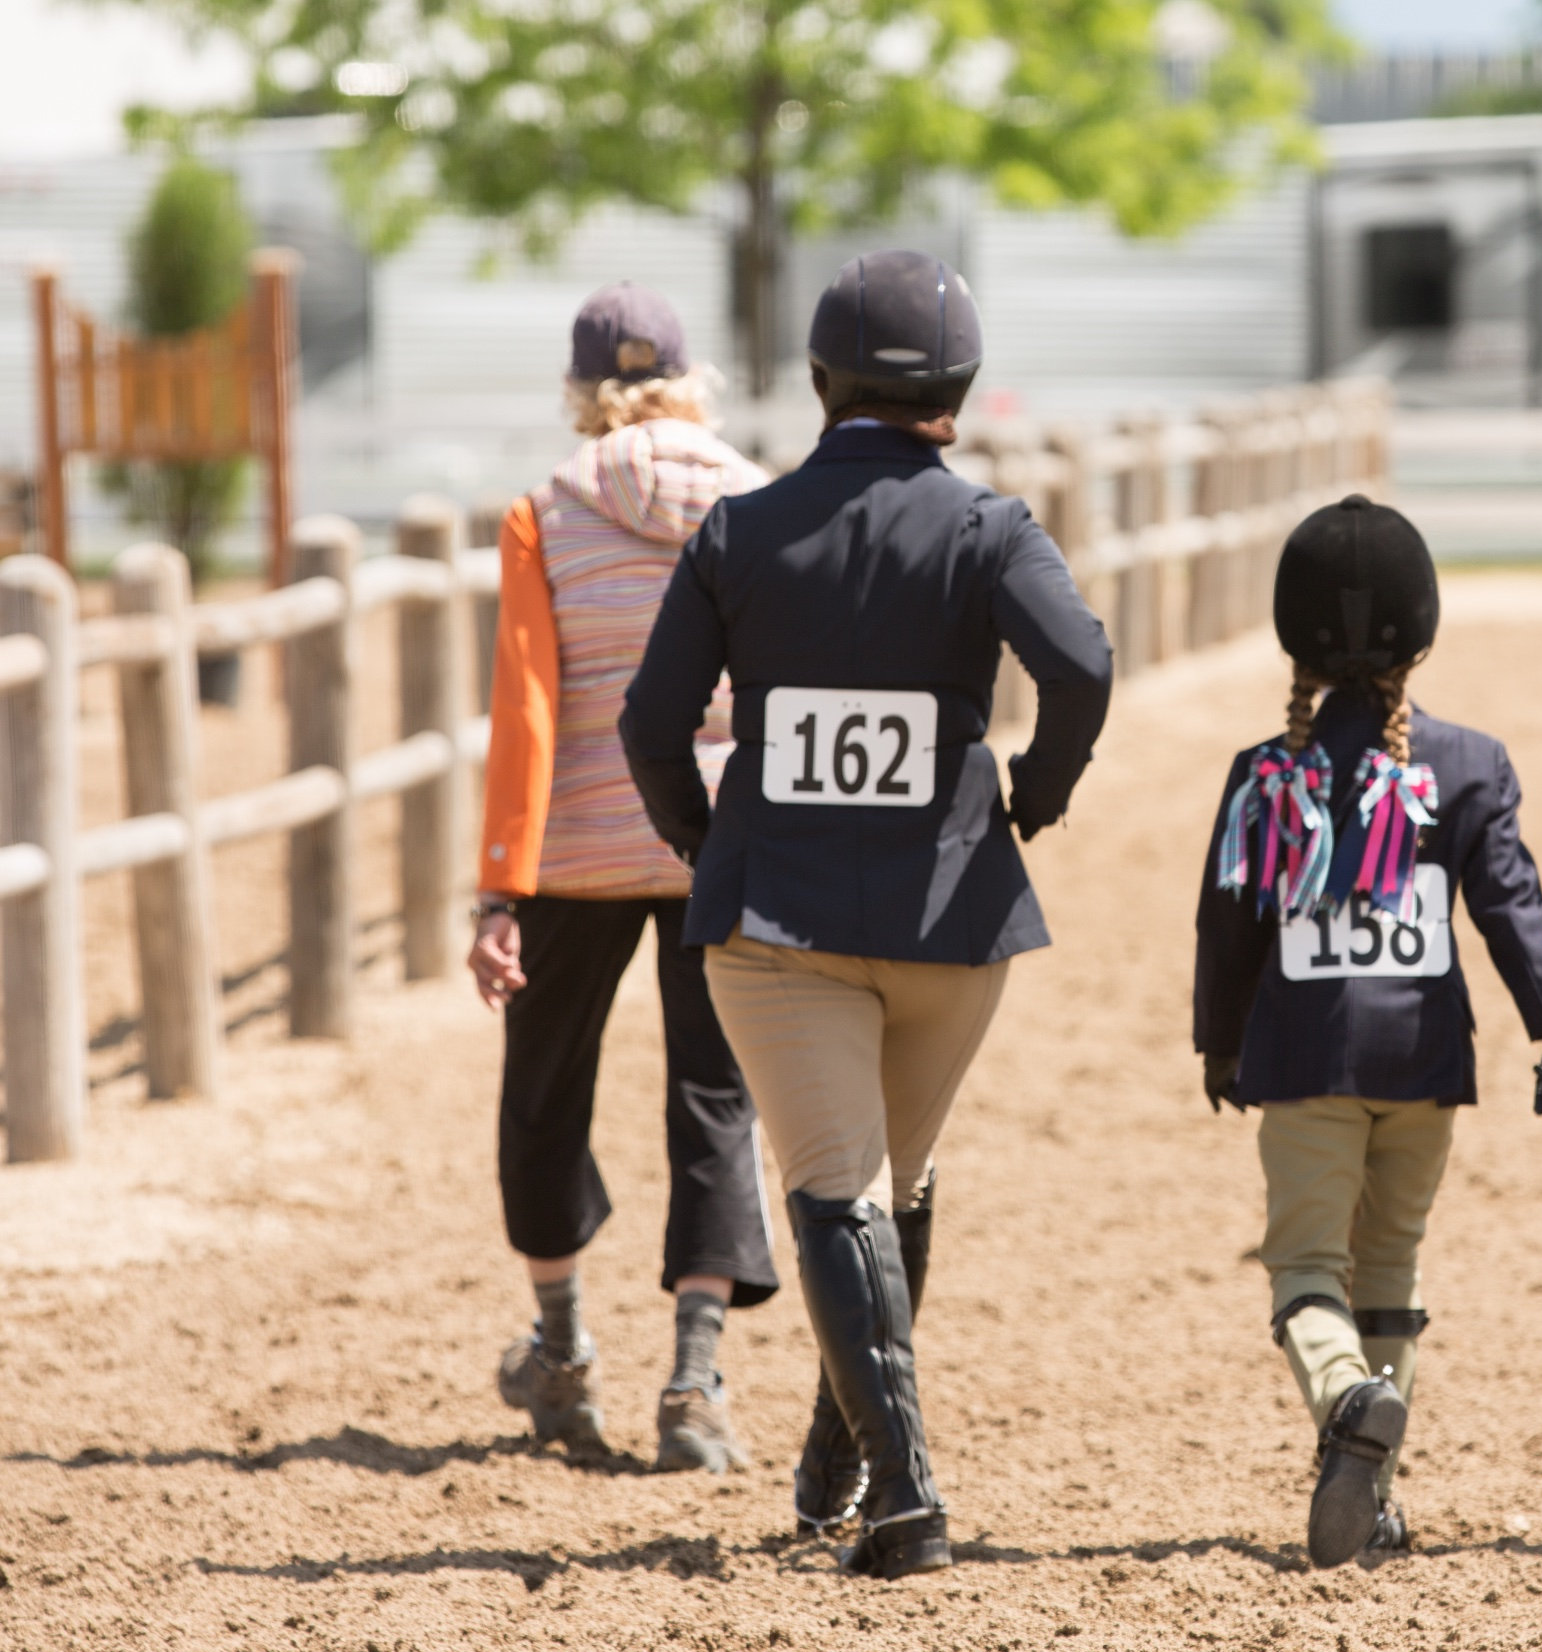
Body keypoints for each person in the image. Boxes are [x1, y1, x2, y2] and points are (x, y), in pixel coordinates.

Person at [620, 250, 1113, 1581]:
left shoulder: (739, 534)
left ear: (824, 381)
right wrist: (1035, 795)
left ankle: (899, 1489)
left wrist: (705, 836)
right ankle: (843, 1462)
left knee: (837, 1190)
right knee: (892, 1182)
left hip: (778, 923)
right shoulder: (989, 530)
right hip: (953, 920)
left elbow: (649, 726)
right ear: (950, 399)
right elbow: (1080, 665)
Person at [1194, 496, 1542, 1569]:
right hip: (1424, 1062)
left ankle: (1345, 1397)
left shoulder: (1262, 772)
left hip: (1307, 1061)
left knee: (1303, 1268)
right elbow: (1512, 905)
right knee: (1394, 1270)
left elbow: (1228, 924)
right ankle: (1377, 1502)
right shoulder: (1468, 765)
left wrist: (1218, 1043)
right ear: (1422, 635)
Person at [468, 283, 779, 1474]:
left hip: (575, 850)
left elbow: (527, 712)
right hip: (723, 843)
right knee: (716, 1100)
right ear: (688, 379)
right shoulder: (759, 500)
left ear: (582, 390)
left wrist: (501, 887)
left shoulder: (544, 512)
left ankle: (564, 1355)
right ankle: (693, 1385)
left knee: (546, 1096)